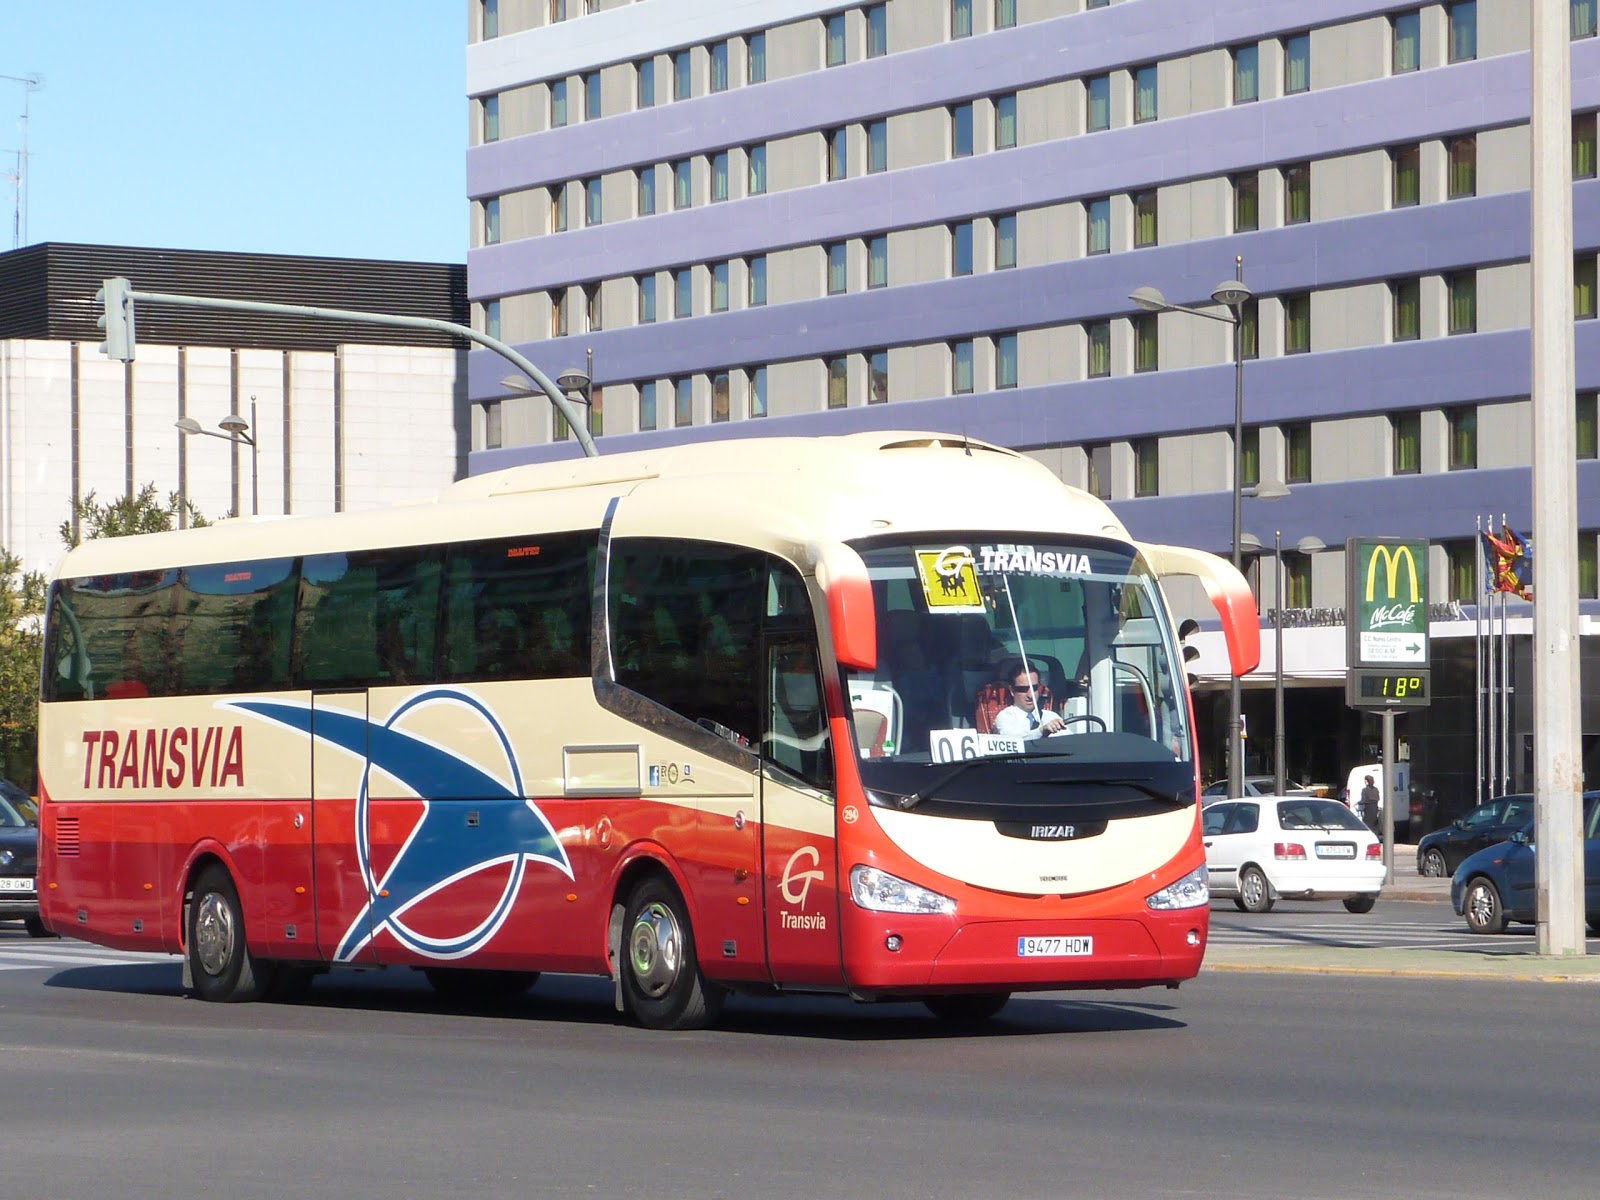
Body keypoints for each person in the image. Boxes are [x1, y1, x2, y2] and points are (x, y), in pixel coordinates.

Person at [992, 661, 1064, 740]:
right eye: (1023, 689)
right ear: (1012, 691)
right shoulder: (1005, 717)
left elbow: (1072, 740)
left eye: (1034, 688)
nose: (1030, 695)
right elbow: (1013, 740)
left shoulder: (1051, 717)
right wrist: (1041, 731)